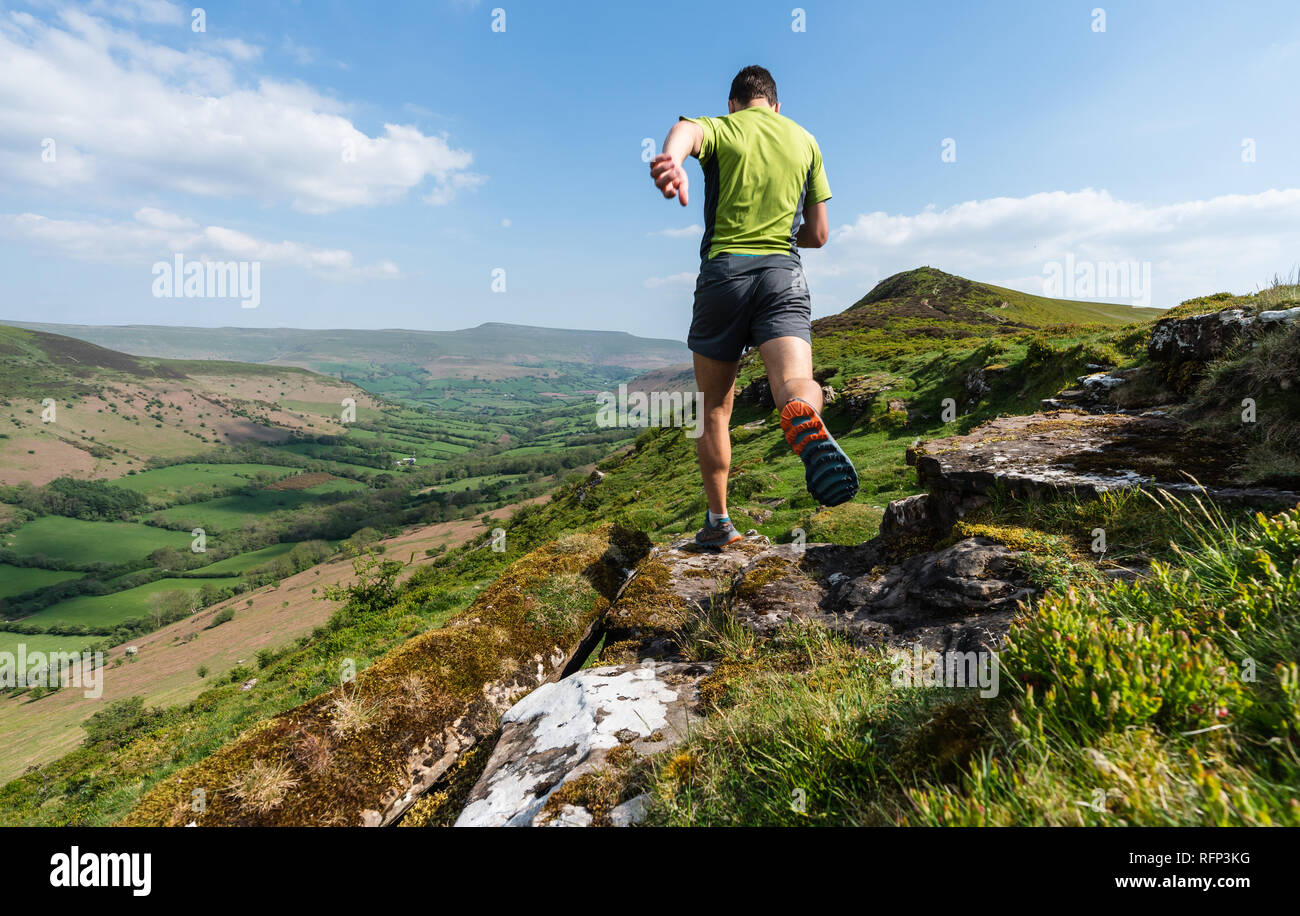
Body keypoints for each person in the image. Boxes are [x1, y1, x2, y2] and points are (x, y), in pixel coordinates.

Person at [649, 65, 858, 548]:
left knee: (715, 409)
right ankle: (804, 411)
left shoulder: (726, 127)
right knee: (793, 383)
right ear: (776, 104)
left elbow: (688, 130)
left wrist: (673, 160)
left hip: (725, 274)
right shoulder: (805, 140)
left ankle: (719, 522)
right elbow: (820, 234)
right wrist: (784, 233)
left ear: (733, 103)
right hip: (783, 274)